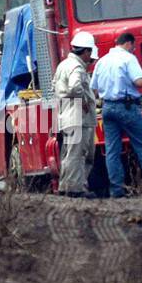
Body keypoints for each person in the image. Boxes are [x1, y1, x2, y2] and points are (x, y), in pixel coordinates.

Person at [90, 31, 142, 198]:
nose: (133, 50)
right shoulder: (128, 58)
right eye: (133, 47)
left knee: (112, 150)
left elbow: (94, 89)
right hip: (127, 107)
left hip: (108, 108)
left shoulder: (102, 61)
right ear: (128, 44)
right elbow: (139, 82)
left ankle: (116, 190)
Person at [53, 31, 98, 197]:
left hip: (68, 115)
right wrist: (85, 100)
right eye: (90, 52)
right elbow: (75, 87)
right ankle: (75, 189)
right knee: (78, 154)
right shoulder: (77, 67)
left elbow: (55, 86)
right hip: (78, 117)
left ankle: (66, 187)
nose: (90, 56)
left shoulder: (63, 65)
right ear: (85, 51)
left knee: (70, 153)